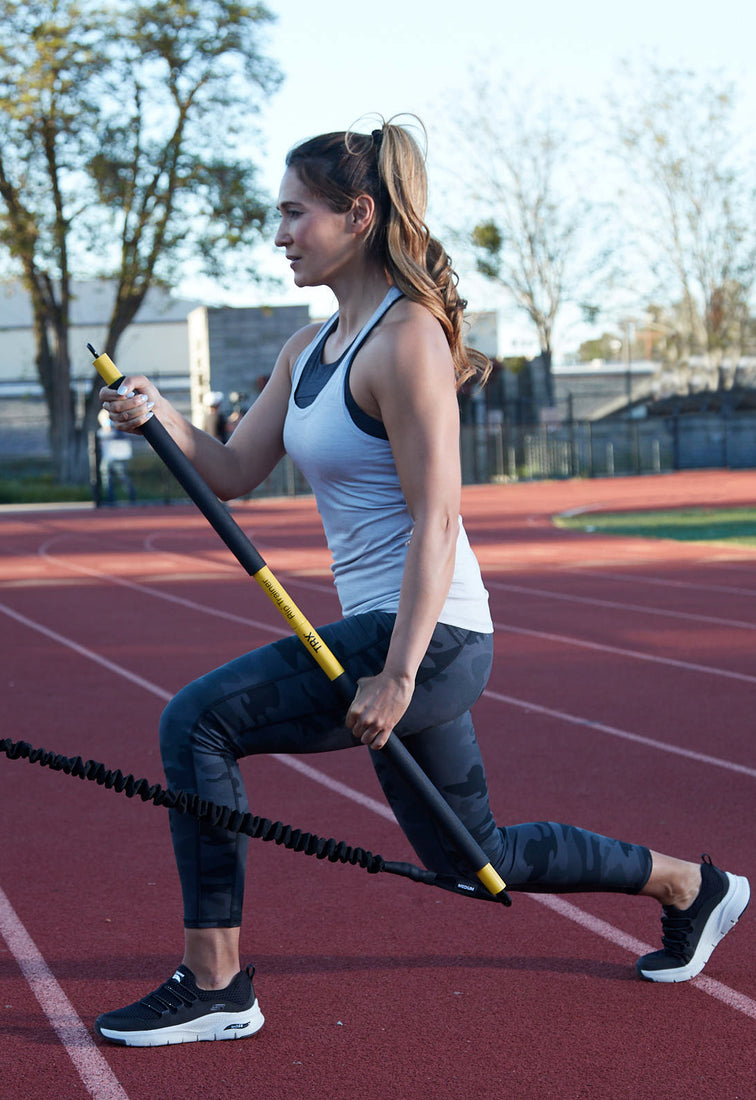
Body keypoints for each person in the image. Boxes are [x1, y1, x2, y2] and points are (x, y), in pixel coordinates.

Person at [93, 118, 749, 1047]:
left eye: (294, 214)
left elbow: (438, 519)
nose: (279, 234)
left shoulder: (406, 342)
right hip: (387, 629)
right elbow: (234, 471)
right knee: (471, 855)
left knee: (195, 722)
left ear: (357, 215)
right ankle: (693, 885)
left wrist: (398, 675)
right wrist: (155, 414)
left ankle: (216, 982)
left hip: (430, 637)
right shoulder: (308, 350)